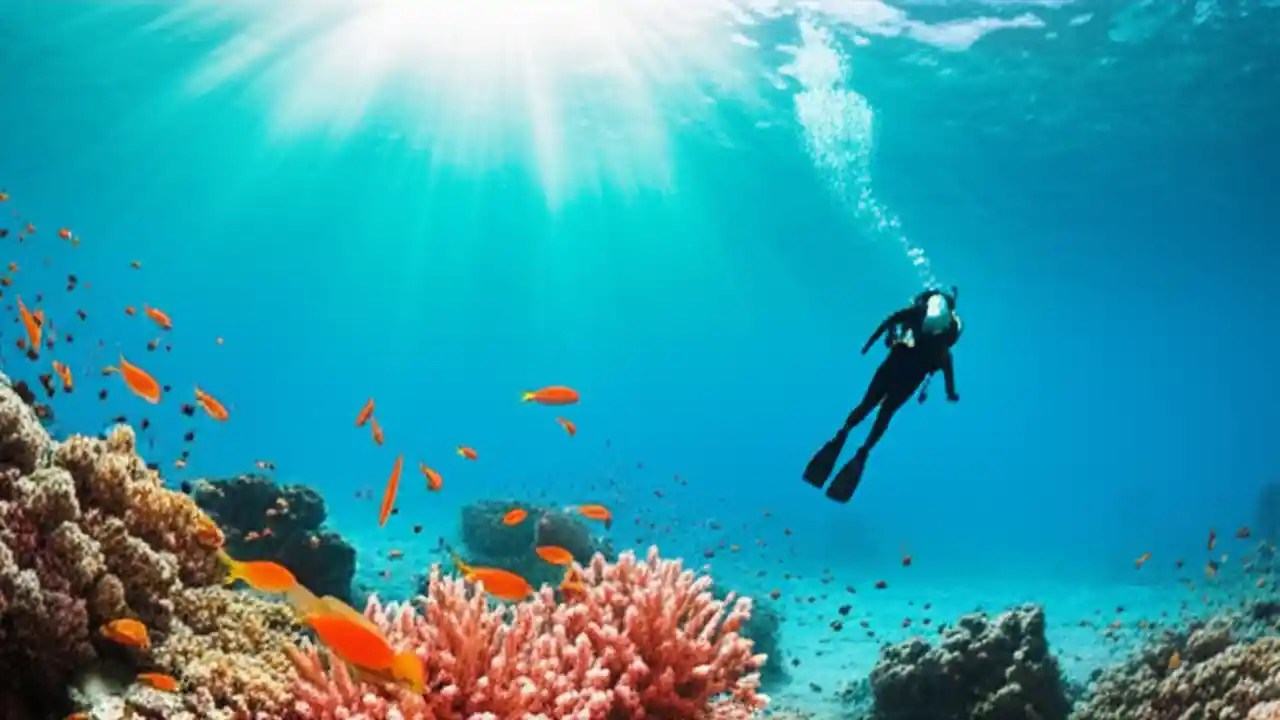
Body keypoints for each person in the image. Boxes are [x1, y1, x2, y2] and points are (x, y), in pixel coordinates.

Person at [803, 287, 963, 502]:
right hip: (909, 381)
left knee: (867, 404)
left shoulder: (914, 315)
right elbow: (948, 375)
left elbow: (888, 321)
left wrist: (869, 344)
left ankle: (844, 432)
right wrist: (950, 393)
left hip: (891, 367)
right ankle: (864, 450)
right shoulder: (942, 348)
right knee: (886, 414)